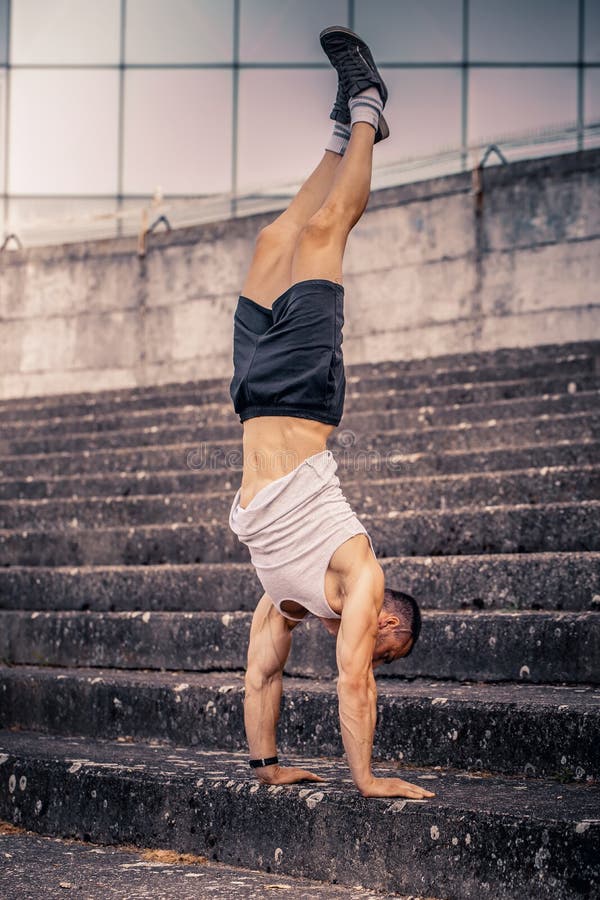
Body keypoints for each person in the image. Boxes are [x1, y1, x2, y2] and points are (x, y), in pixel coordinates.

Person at [228, 26, 434, 801]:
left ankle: (339, 129)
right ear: (388, 626)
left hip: (253, 396)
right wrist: (367, 778)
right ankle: (372, 105)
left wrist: (266, 765)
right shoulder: (364, 576)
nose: (372, 655)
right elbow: (354, 682)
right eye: (386, 651)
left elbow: (261, 671)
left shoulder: (284, 594)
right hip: (305, 394)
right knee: (321, 233)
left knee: (273, 238)